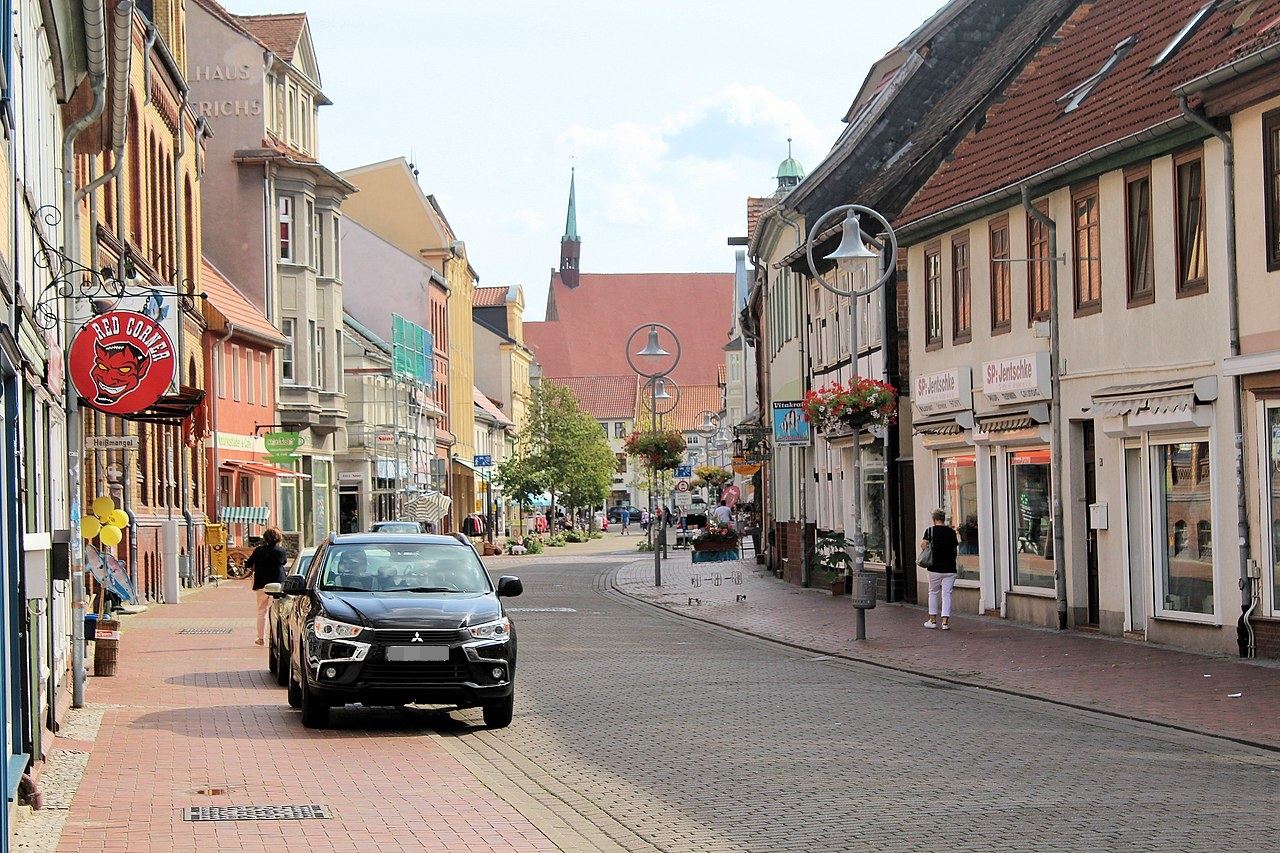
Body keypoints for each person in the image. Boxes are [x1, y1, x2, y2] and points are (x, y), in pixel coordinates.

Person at [245, 527, 286, 646]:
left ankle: (260, 638)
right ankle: (276, 638)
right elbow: (283, 562)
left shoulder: (259, 550)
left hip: (262, 584)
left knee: (261, 611)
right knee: (277, 612)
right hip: (277, 585)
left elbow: (249, 563)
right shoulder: (281, 551)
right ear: (278, 538)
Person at [922, 509, 959, 630]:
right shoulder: (951, 532)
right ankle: (945, 622)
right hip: (950, 568)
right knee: (947, 594)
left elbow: (923, 545)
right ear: (944, 519)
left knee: (933, 592)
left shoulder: (930, 531)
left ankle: (932, 620)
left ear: (934, 519)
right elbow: (955, 547)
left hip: (934, 567)